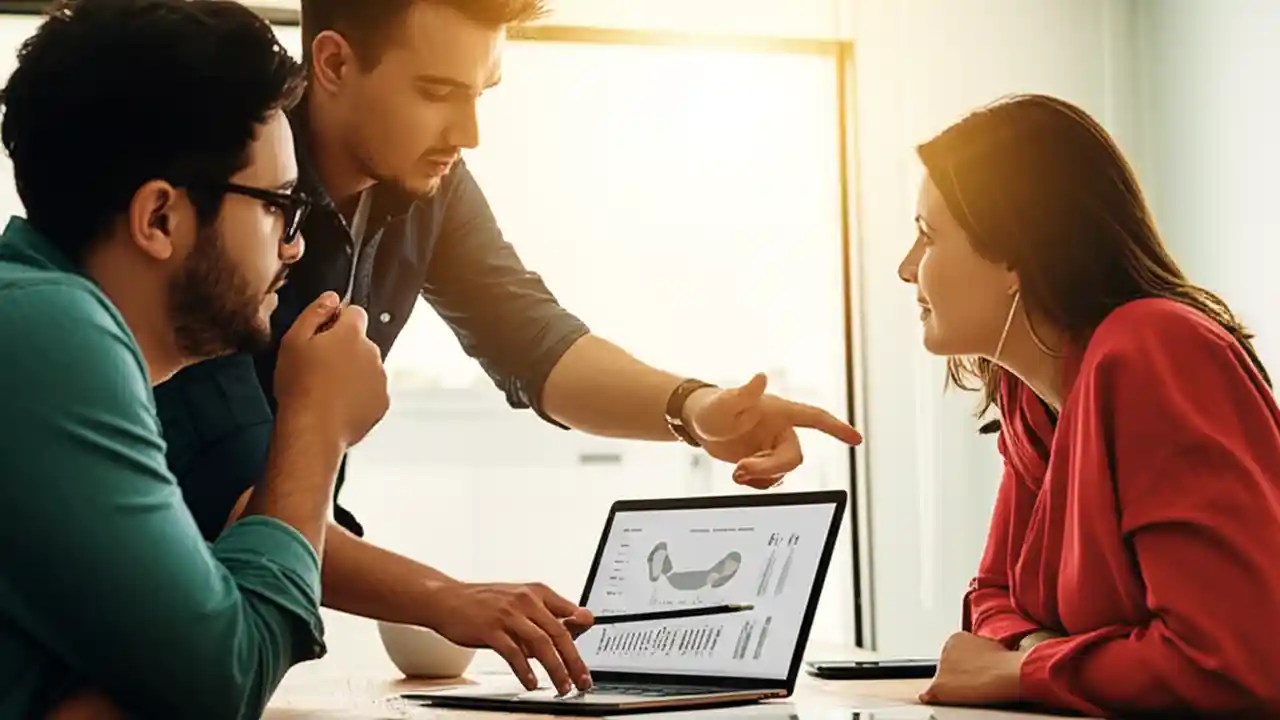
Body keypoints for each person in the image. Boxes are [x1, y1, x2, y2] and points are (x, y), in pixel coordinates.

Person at [153, 0, 864, 696]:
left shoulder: (429, 182)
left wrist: (697, 409)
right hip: (155, 616)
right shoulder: (228, 212)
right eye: (436, 92)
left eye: (481, 93)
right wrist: (446, 598)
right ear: (334, 62)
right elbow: (247, 502)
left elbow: (532, 337)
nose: (468, 132)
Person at [0, 1, 390, 717]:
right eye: (280, 204)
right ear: (159, 219)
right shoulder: (50, 331)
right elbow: (219, 680)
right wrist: (316, 424)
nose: (294, 245)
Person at [898, 94, 1280, 717]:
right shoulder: (1029, 396)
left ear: (1015, 254)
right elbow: (991, 598)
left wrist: (1024, 669)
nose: (907, 268)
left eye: (927, 236)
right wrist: (1041, 657)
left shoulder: (1155, 349)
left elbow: (1234, 664)